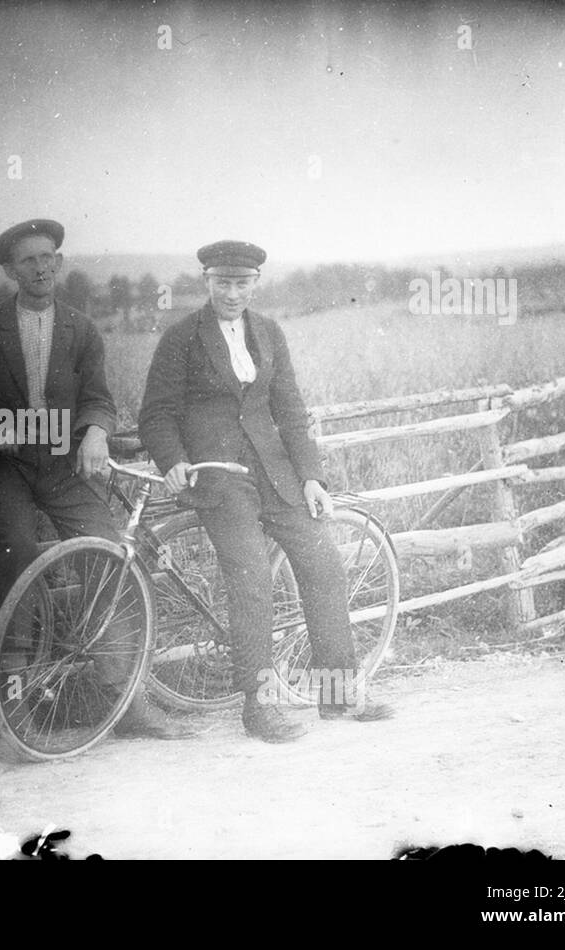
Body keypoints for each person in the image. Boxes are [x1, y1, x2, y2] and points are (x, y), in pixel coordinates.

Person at [0, 218, 193, 740]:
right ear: (11, 270)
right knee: (17, 551)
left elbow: (98, 397)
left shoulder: (81, 328)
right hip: (2, 467)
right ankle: (18, 704)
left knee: (110, 553)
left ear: (59, 263)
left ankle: (123, 699)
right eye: (28, 260)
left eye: (48, 257)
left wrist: (96, 433)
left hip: (61, 465)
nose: (40, 267)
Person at [137, 240, 394, 743]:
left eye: (242, 283)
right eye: (222, 282)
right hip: (218, 477)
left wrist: (312, 478)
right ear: (207, 282)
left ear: (256, 284)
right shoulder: (181, 338)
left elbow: (290, 411)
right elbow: (156, 413)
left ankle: (339, 694)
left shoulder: (269, 333)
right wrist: (173, 461)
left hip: (275, 474)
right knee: (252, 575)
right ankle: (259, 706)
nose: (232, 293)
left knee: (323, 561)